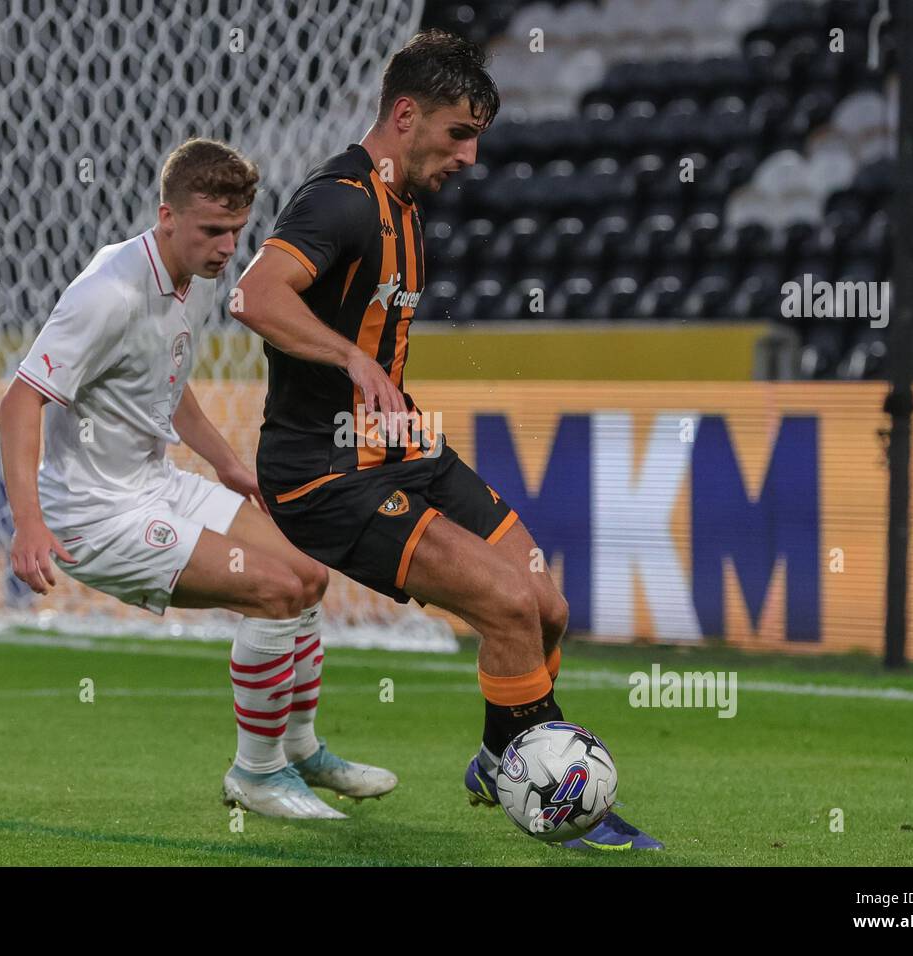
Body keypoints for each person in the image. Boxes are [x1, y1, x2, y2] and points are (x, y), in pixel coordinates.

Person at [231, 33, 662, 850]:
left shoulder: (407, 208)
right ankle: (556, 802)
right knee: (503, 605)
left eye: (477, 139)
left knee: (546, 608)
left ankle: (501, 754)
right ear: (404, 115)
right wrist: (350, 356)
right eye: (458, 134)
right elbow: (254, 297)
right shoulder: (343, 199)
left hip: (400, 447)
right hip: (324, 474)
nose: (469, 155)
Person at [0, 138, 396, 821]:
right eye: (211, 231)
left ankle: (301, 749)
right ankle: (256, 774)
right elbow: (20, 400)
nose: (224, 248)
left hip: (156, 480)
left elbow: (167, 379)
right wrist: (29, 523)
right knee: (272, 591)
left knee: (308, 571)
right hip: (97, 515)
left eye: (236, 232)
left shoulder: (196, 278)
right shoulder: (108, 294)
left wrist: (226, 463)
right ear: (166, 217)